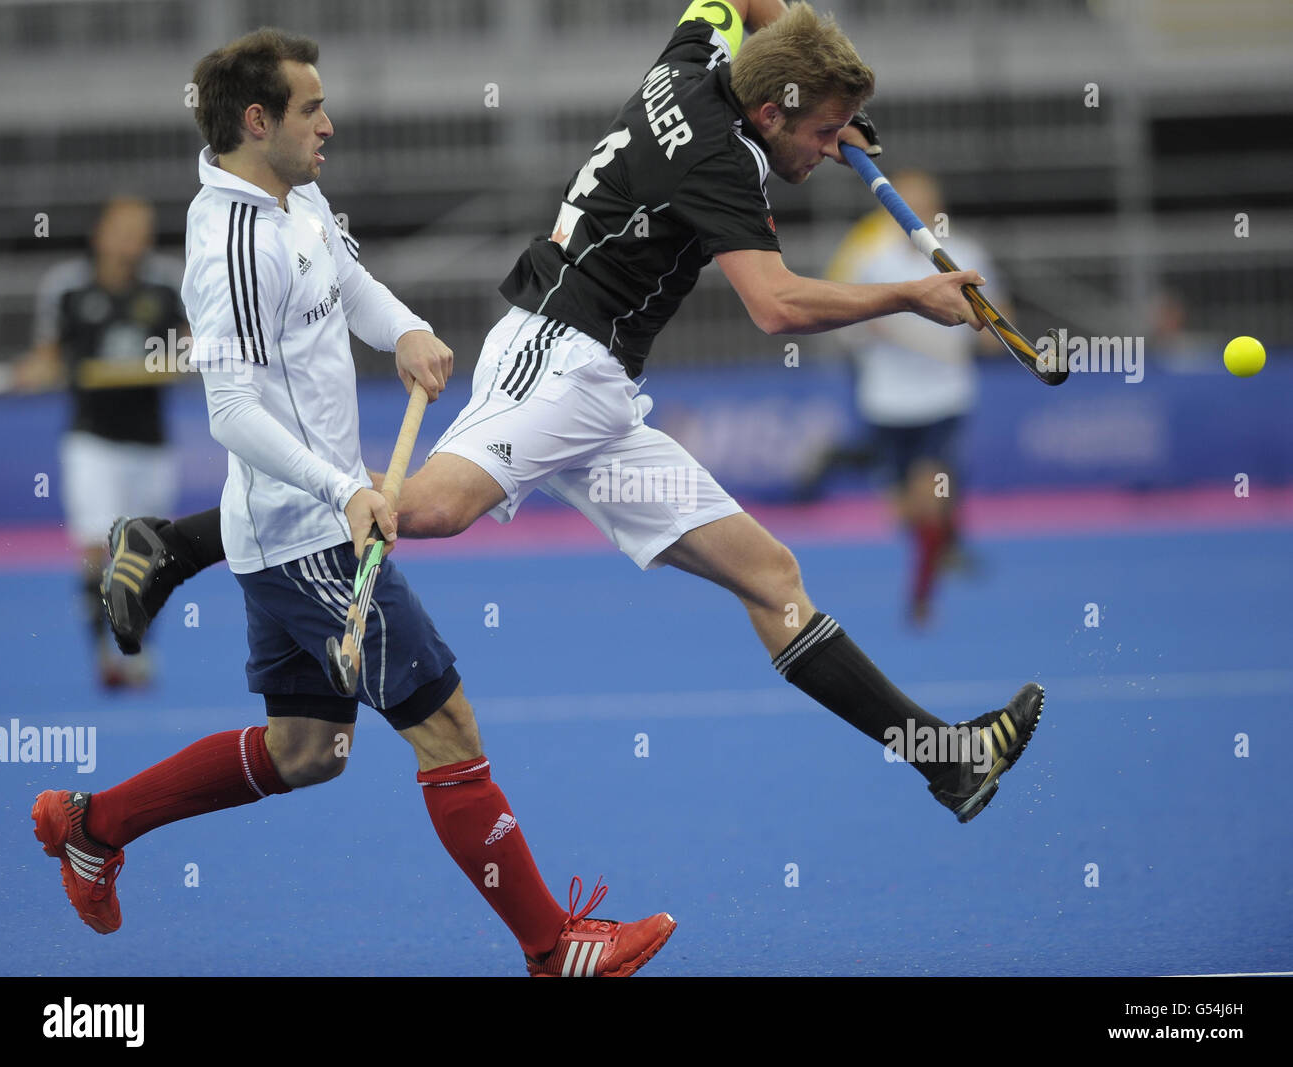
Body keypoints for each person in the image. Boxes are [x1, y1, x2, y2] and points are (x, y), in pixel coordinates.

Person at [102, 2, 1044, 824]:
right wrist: (909, 298)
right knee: (417, 511)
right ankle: (175, 542)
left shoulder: (691, 60)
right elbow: (777, 305)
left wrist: (820, 78)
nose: (836, 146)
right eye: (827, 130)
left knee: (773, 576)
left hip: (600, 390)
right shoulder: (723, 160)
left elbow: (742, 1)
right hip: (557, 358)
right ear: (771, 111)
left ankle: (941, 759)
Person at [35, 27, 674, 978]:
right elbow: (231, 410)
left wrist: (406, 328)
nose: (329, 124)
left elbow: (349, 280)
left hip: (288, 534)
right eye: (311, 109)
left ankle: (92, 825)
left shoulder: (292, 196)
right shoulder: (234, 244)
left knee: (308, 750)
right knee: (447, 725)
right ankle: (554, 948)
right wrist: (345, 489)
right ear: (259, 121)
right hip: (310, 539)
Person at [805, 170, 1000, 624]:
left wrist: (990, 332)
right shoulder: (869, 261)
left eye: (920, 204)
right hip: (886, 403)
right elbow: (843, 329)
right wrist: (868, 327)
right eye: (901, 205)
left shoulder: (964, 256)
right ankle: (945, 539)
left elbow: (994, 326)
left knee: (929, 494)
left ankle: (921, 598)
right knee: (905, 514)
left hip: (943, 401)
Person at [15, 196, 186, 688]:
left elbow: (192, 344)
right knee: (95, 546)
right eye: (125, 229)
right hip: (91, 441)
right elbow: (49, 355)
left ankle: (135, 649)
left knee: (145, 554)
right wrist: (37, 370)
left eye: (143, 230)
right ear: (101, 233)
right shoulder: (68, 287)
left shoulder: (165, 284)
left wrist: (179, 360)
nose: (135, 240)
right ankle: (103, 656)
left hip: (151, 442)